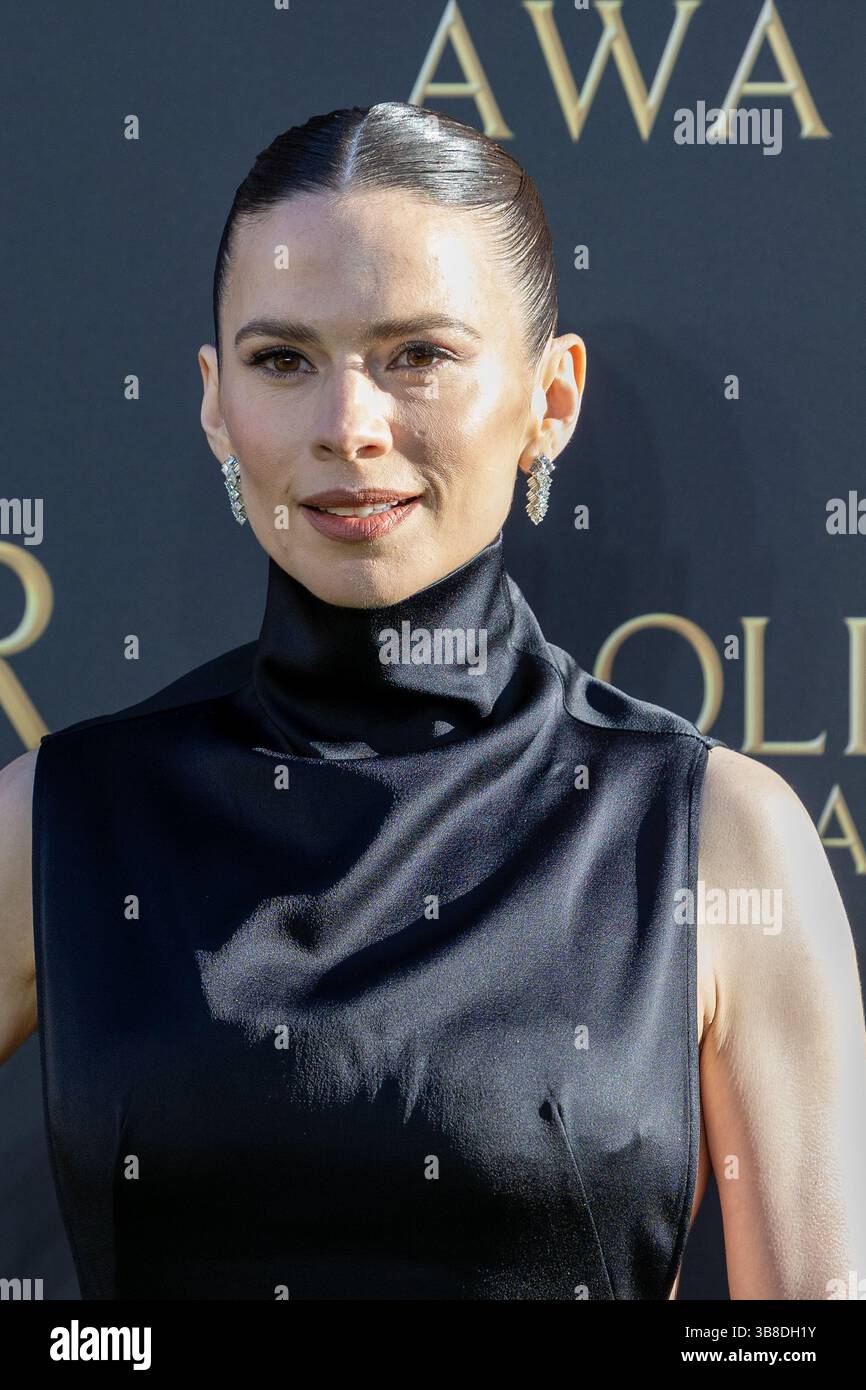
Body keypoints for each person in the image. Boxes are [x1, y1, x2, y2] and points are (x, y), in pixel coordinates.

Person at [1, 101, 865, 1301]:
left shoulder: (713, 832)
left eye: (418, 354)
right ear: (212, 401)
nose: (347, 427)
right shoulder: (63, 817)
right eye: (281, 360)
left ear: (548, 398)